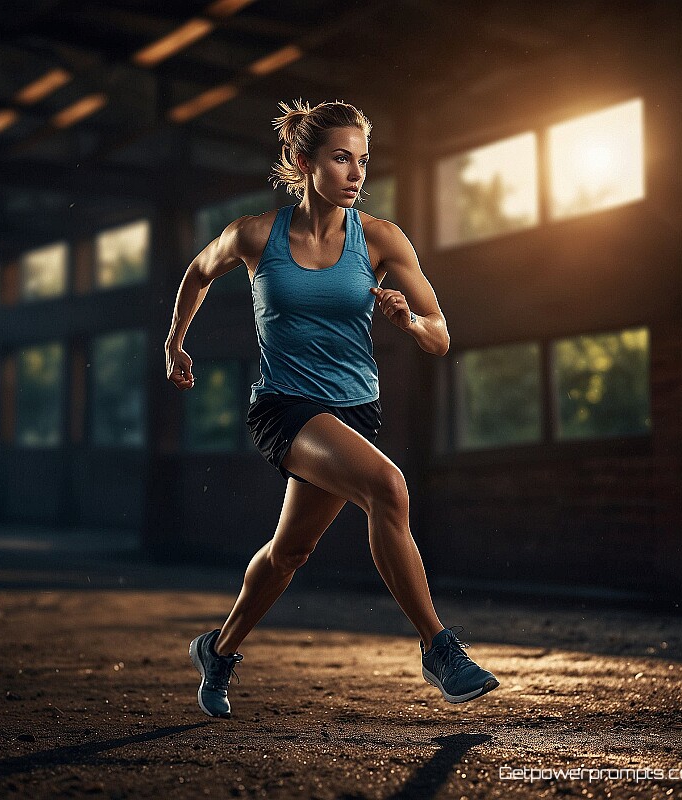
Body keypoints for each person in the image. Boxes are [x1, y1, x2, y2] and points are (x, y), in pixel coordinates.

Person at [165, 99, 499, 718]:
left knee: (289, 552)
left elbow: (440, 335)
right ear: (303, 161)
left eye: (363, 160)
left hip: (354, 411)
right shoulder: (254, 235)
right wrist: (175, 341)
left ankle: (218, 649)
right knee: (388, 487)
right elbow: (198, 272)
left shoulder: (381, 239)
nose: (356, 173)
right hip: (285, 408)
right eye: (342, 158)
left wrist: (408, 321)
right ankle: (439, 648)